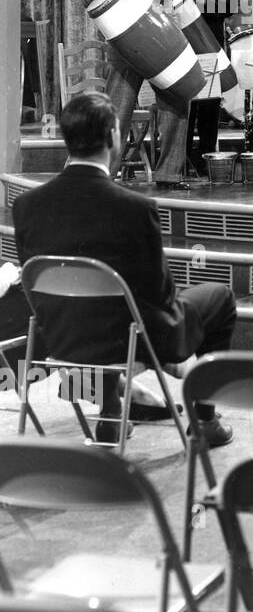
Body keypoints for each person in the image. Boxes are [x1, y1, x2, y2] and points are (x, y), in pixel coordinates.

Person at [13, 93, 236, 446]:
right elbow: (158, 296)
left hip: (62, 340)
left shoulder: (26, 206)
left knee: (97, 308)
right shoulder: (135, 208)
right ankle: (205, 422)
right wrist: (170, 355)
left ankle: (111, 409)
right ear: (114, 137)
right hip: (131, 340)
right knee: (219, 297)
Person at [86, 0, 190, 189]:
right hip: (124, 46)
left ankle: (170, 174)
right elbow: (96, 0)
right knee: (117, 109)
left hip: (164, 43)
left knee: (175, 105)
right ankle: (104, 175)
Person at [183, 0, 240, 176]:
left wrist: (202, 1)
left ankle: (207, 164)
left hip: (212, 48)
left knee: (209, 109)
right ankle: (182, 162)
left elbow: (229, 8)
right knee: (186, 109)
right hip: (184, 50)